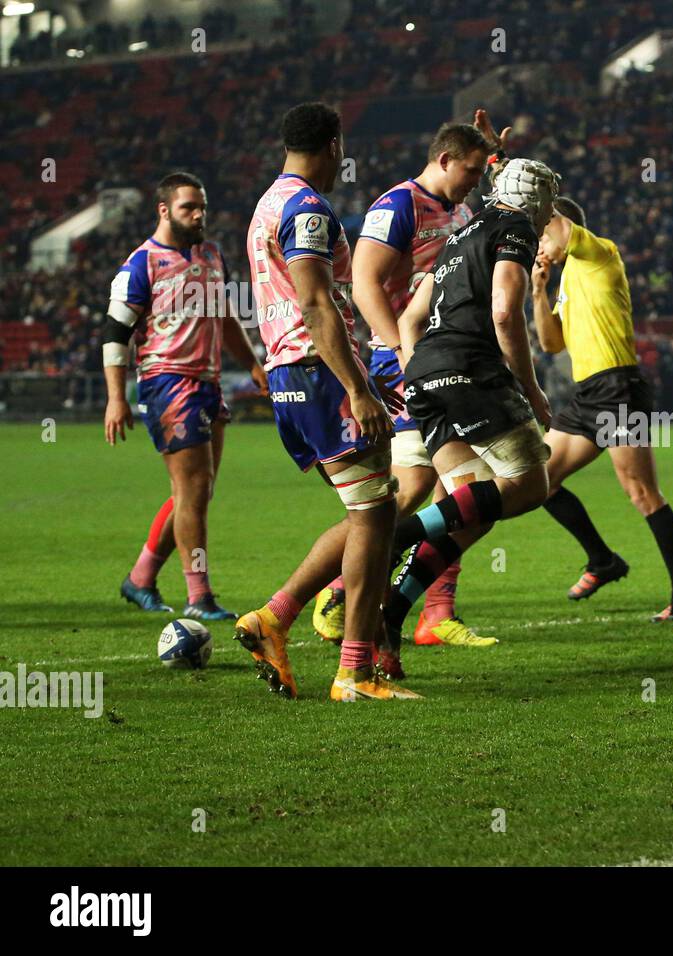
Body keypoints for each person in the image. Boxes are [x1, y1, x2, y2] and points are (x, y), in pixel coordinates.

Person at [236, 102, 417, 701]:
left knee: (370, 513)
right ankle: (355, 674)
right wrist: (358, 388)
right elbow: (316, 305)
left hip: (291, 376)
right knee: (374, 519)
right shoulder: (307, 208)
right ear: (334, 145)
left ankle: (275, 618)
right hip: (319, 374)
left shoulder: (267, 203)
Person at [379, 158, 562, 645]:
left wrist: (424, 370)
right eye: (547, 204)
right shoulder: (515, 226)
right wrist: (530, 386)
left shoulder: (460, 235)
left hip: (423, 375)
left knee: (470, 509)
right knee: (529, 487)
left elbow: (410, 320)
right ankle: (400, 534)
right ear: (533, 200)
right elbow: (504, 312)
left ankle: (390, 617)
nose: (548, 216)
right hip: (471, 370)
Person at [341, 114, 505, 649]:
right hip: (410, 359)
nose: (475, 182)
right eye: (472, 171)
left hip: (451, 358)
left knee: (452, 491)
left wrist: (496, 158)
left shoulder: (459, 208)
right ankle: (342, 586)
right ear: (443, 160)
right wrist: (399, 351)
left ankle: (435, 612)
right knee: (428, 490)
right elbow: (364, 283)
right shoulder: (397, 206)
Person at [104, 171, 267, 621]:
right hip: (167, 382)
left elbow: (226, 317)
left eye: (202, 208)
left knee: (197, 490)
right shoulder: (142, 263)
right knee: (193, 490)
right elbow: (115, 334)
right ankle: (199, 597)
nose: (198, 216)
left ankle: (140, 579)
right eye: (188, 208)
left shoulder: (211, 254)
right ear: (164, 210)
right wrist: (116, 398)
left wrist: (252, 363)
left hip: (208, 383)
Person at [531, 197, 673, 621]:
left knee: (641, 493)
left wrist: (507, 173)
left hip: (619, 388)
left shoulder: (599, 253)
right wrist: (538, 290)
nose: (538, 244)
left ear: (562, 227)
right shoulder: (568, 278)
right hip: (588, 393)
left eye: (541, 234)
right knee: (539, 481)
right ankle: (602, 559)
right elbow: (552, 344)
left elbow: (556, 221)